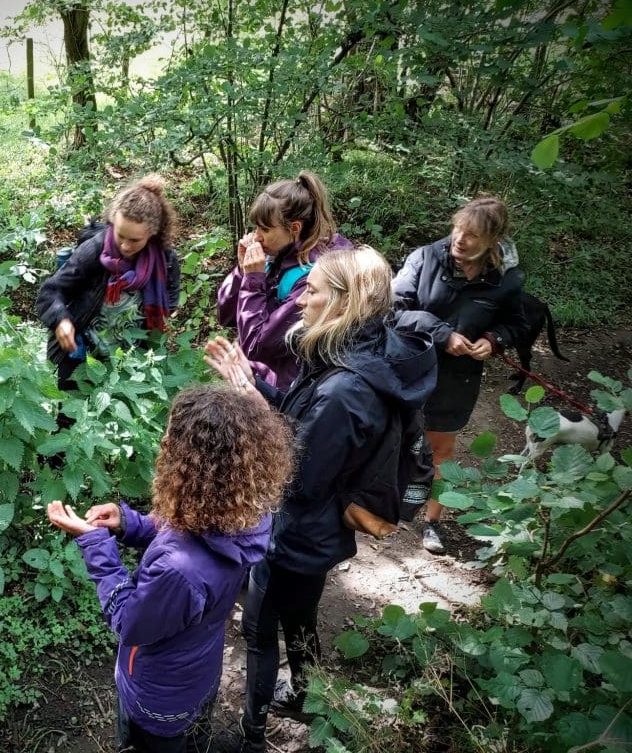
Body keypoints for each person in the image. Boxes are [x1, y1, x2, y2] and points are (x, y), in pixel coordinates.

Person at [205, 247, 437, 752]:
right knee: (302, 617)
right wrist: (256, 387)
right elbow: (301, 419)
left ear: (341, 302)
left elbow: (299, 478)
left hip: (298, 534)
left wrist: (250, 408)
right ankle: (308, 696)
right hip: (322, 531)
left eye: (310, 291)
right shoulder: (358, 355)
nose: (299, 298)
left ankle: (252, 734)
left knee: (260, 632)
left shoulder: (345, 391)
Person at [46, 384, 293, 752]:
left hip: (156, 696)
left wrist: (95, 544)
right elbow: (187, 532)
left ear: (188, 464)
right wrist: (129, 524)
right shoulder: (244, 516)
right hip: (195, 674)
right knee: (194, 735)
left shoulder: (179, 572)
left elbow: (130, 622)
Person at [392, 197, 526, 554]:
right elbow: (393, 308)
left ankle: (432, 522)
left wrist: (493, 341)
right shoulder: (425, 258)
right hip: (408, 367)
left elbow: (517, 323)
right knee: (392, 438)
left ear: (493, 241)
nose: (460, 239)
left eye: (473, 235)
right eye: (458, 228)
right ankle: (378, 503)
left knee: (442, 451)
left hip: (458, 378)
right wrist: (440, 332)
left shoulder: (507, 279)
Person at [35, 175, 181, 388]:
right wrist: (61, 320)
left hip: (129, 358)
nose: (124, 246)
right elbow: (51, 291)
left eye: (135, 240)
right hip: (81, 352)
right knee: (70, 416)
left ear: (152, 233)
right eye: (120, 235)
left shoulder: (165, 262)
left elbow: (171, 301)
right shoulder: (96, 250)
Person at [216, 171, 353, 389]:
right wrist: (242, 272)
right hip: (259, 378)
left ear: (295, 228)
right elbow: (226, 317)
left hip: (285, 390)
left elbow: (258, 345)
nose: (257, 236)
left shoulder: (314, 277)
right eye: (256, 227)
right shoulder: (277, 253)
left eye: (265, 229)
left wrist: (253, 281)